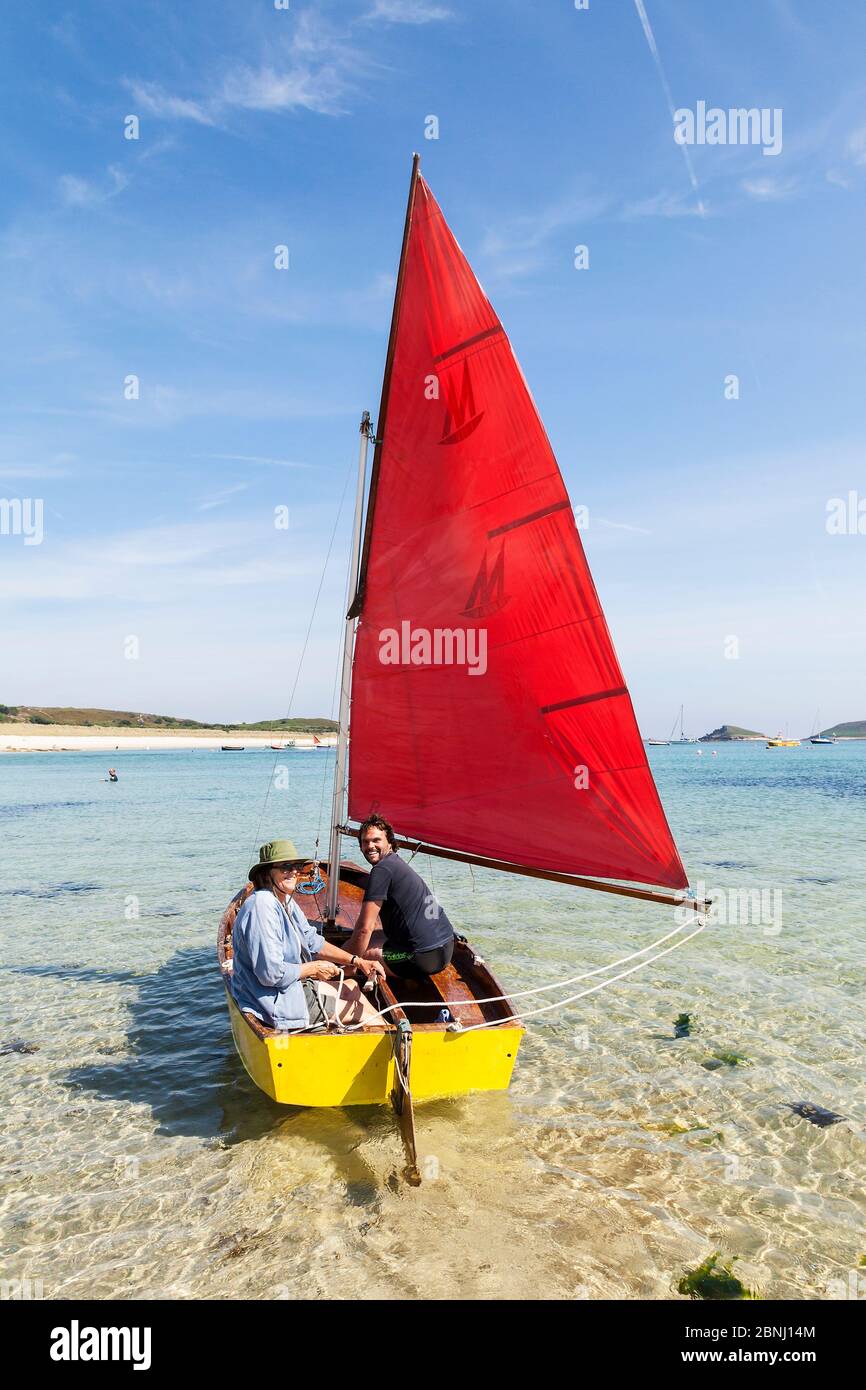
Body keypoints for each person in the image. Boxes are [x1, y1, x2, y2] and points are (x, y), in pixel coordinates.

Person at [230, 838, 384, 1031]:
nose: (294, 871)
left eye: (297, 866)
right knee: (364, 1014)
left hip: (292, 987)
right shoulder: (262, 906)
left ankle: (389, 1041)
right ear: (267, 873)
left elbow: (312, 941)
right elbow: (271, 974)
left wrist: (357, 961)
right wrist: (314, 968)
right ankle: (395, 1045)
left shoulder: (285, 901)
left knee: (352, 986)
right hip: (273, 1002)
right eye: (285, 867)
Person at [344, 815, 455, 979]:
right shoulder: (395, 863)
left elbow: (364, 929)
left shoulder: (381, 871)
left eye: (376, 840)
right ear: (360, 846)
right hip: (447, 947)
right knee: (370, 938)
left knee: (360, 954)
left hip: (422, 958)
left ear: (389, 842)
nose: (370, 846)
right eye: (365, 842)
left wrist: (350, 964)